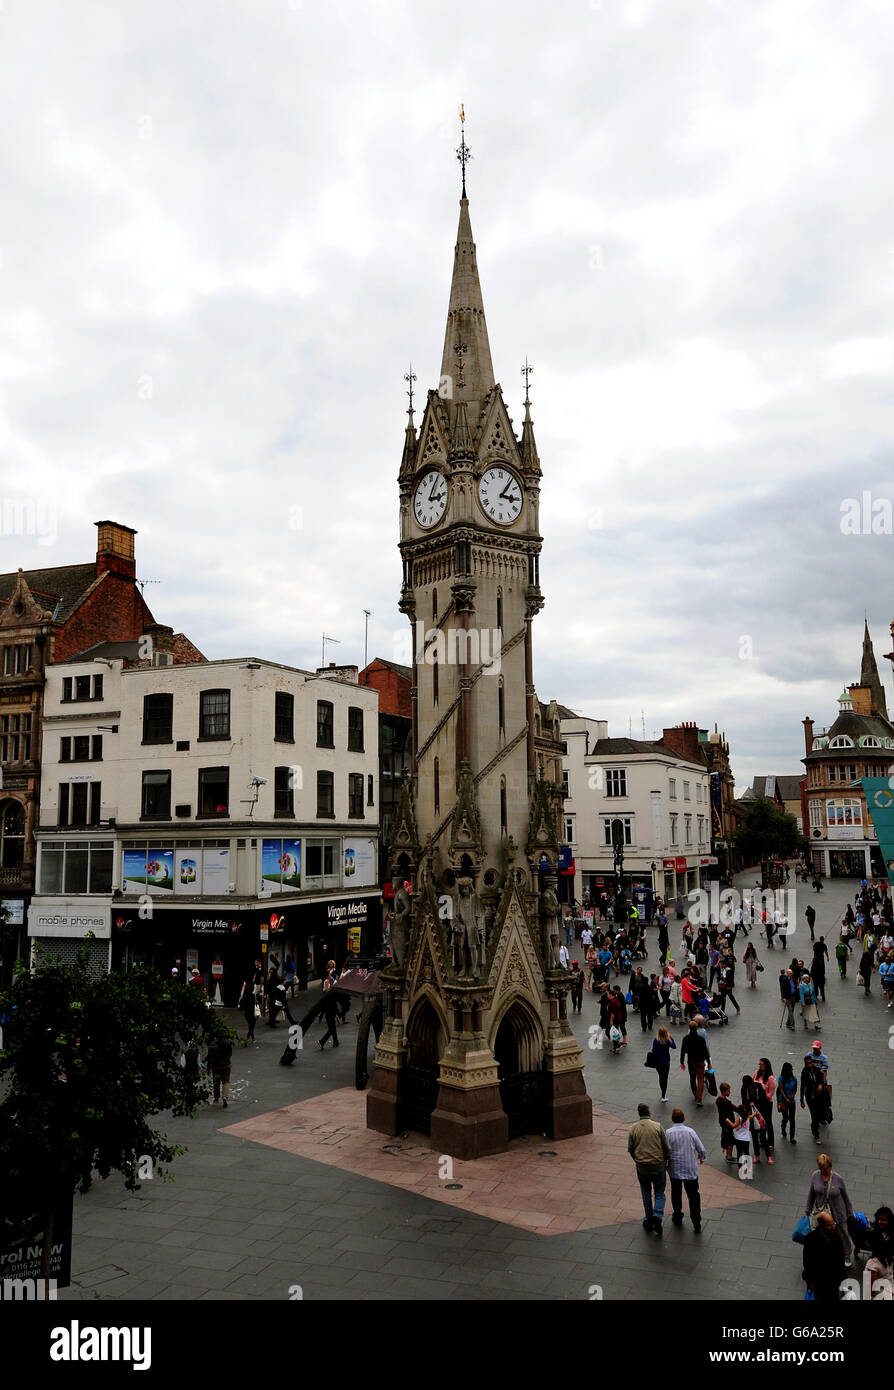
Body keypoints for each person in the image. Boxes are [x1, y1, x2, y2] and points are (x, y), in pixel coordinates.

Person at [627, 1102, 670, 1236]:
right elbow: (666, 1147)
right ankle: (657, 1215)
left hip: (642, 1167)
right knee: (659, 1192)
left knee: (646, 1193)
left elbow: (631, 1149)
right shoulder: (657, 1126)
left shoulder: (633, 1128)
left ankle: (649, 1219)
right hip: (658, 1165)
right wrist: (663, 1161)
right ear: (649, 1113)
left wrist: (637, 1160)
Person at [807, 1155, 856, 1267]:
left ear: (830, 1166)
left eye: (826, 1167)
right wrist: (808, 1210)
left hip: (838, 1213)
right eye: (821, 1168)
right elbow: (811, 1193)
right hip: (822, 1212)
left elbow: (845, 1197)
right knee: (824, 1234)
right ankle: (826, 1254)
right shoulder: (815, 1176)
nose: (824, 1170)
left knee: (843, 1234)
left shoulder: (838, 1178)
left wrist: (850, 1212)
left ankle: (847, 1255)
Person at [666, 1107, 706, 1231]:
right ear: (684, 1118)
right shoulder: (690, 1132)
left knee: (676, 1193)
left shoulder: (668, 1133)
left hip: (675, 1169)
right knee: (693, 1195)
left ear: (672, 1119)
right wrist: (702, 1158)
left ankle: (677, 1215)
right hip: (690, 1169)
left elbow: (665, 1150)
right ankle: (696, 1219)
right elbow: (701, 1148)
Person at [802, 1211, 847, 1303]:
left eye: (833, 1224)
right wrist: (810, 1282)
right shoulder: (811, 1239)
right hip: (819, 1281)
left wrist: (844, 1279)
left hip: (834, 1280)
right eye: (830, 1225)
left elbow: (840, 1259)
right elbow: (807, 1262)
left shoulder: (836, 1237)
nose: (833, 1227)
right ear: (822, 1225)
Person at [680, 1017, 711, 1106]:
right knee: (700, 1079)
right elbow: (705, 1052)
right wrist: (708, 1063)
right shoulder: (701, 1039)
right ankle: (699, 1098)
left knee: (692, 1078)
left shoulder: (686, 1038)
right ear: (696, 1028)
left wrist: (682, 1062)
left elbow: (683, 1051)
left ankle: (695, 1093)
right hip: (700, 1061)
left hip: (691, 1061)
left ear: (689, 1028)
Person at [800, 1055, 831, 1144]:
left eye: (810, 1063)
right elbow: (802, 1086)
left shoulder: (817, 1070)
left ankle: (815, 1126)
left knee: (818, 1114)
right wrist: (801, 1100)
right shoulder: (804, 1072)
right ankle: (816, 1135)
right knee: (814, 1115)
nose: (809, 1065)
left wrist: (821, 1085)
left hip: (819, 1096)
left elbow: (822, 1079)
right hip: (810, 1097)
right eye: (807, 1064)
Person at [648, 1025, 677, 1102]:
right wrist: (671, 1037)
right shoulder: (667, 1041)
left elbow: (653, 1050)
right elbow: (674, 1046)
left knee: (661, 1077)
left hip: (657, 1062)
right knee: (665, 1078)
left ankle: (662, 1091)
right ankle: (663, 1095)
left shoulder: (655, 1040)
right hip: (665, 1062)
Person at [207, 1033, 233, 1108]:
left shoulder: (212, 1044)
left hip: (216, 1066)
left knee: (216, 1081)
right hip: (226, 1065)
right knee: (226, 1081)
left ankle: (216, 1097)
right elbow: (230, 1054)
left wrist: (208, 1068)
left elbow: (209, 1057)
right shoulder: (227, 1043)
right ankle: (224, 1097)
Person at [715, 1082, 738, 1162]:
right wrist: (741, 1110)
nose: (729, 1092)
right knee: (730, 1139)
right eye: (728, 1090)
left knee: (726, 1137)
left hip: (723, 1122)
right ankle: (729, 1156)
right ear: (724, 1091)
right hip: (727, 1123)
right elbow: (733, 1108)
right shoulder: (725, 1102)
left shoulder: (718, 1099)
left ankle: (728, 1155)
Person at [776, 1061, 798, 1143]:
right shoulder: (781, 1078)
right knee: (785, 1117)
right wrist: (786, 1098)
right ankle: (783, 1128)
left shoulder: (794, 1078)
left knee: (792, 1119)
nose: (791, 1071)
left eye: (791, 1069)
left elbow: (796, 1088)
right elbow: (781, 1089)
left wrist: (792, 1095)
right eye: (790, 1070)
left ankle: (792, 1136)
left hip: (792, 1101)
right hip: (783, 1101)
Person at [237, 968, 258, 1042]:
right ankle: (247, 1037)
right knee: (252, 1026)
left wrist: (243, 1006)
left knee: (251, 1026)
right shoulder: (252, 996)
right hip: (252, 1012)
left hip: (247, 1013)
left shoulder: (246, 996)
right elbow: (256, 1003)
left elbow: (241, 1003)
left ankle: (252, 1038)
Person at [812, 938, 829, 1002]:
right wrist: (827, 957)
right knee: (822, 987)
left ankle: (816, 995)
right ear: (823, 939)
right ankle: (823, 995)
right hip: (821, 976)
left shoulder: (816, 944)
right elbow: (826, 952)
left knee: (816, 986)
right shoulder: (824, 945)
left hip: (816, 976)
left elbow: (813, 949)